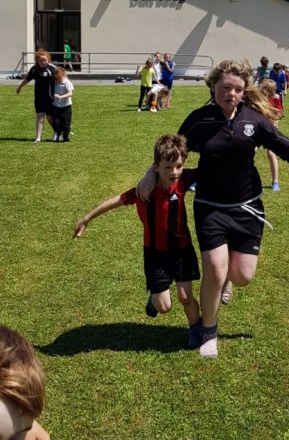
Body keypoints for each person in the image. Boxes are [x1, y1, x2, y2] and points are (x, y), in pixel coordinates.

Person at [138, 59, 289, 359]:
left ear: (244, 91)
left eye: (237, 89)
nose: (231, 94)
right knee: (215, 272)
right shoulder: (200, 120)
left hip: (247, 207)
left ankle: (229, 281)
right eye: (225, 88)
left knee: (242, 275)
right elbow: (174, 151)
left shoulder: (254, 120)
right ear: (214, 87)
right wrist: (150, 174)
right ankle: (209, 332)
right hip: (210, 206)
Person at [74, 134, 202, 347]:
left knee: (185, 296)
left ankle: (196, 328)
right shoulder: (145, 191)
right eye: (168, 167)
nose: (174, 172)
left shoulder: (184, 180)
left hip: (181, 250)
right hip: (155, 254)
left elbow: (212, 168)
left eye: (178, 166)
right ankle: (154, 297)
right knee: (164, 306)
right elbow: (116, 201)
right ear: (156, 167)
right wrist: (86, 218)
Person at [16, 49, 57, 143]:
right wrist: (20, 87)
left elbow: (62, 78)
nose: (43, 62)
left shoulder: (52, 68)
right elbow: (27, 79)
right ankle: (38, 138)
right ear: (37, 60)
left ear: (48, 60)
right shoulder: (34, 69)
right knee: (40, 116)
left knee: (50, 117)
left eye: (45, 60)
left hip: (50, 97)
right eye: (41, 60)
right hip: (39, 97)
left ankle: (56, 132)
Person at [259, 79, 282, 192]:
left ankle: (275, 182)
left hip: (270, 128)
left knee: (271, 153)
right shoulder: (258, 98)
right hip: (258, 128)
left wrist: (275, 124)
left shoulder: (276, 98)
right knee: (249, 151)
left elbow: (278, 113)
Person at [51, 66, 74, 142]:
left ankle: (66, 138)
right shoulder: (54, 82)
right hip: (56, 106)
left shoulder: (67, 82)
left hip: (66, 107)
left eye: (57, 77)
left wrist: (61, 96)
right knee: (55, 123)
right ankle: (58, 134)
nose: (56, 79)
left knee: (65, 124)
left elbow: (70, 93)